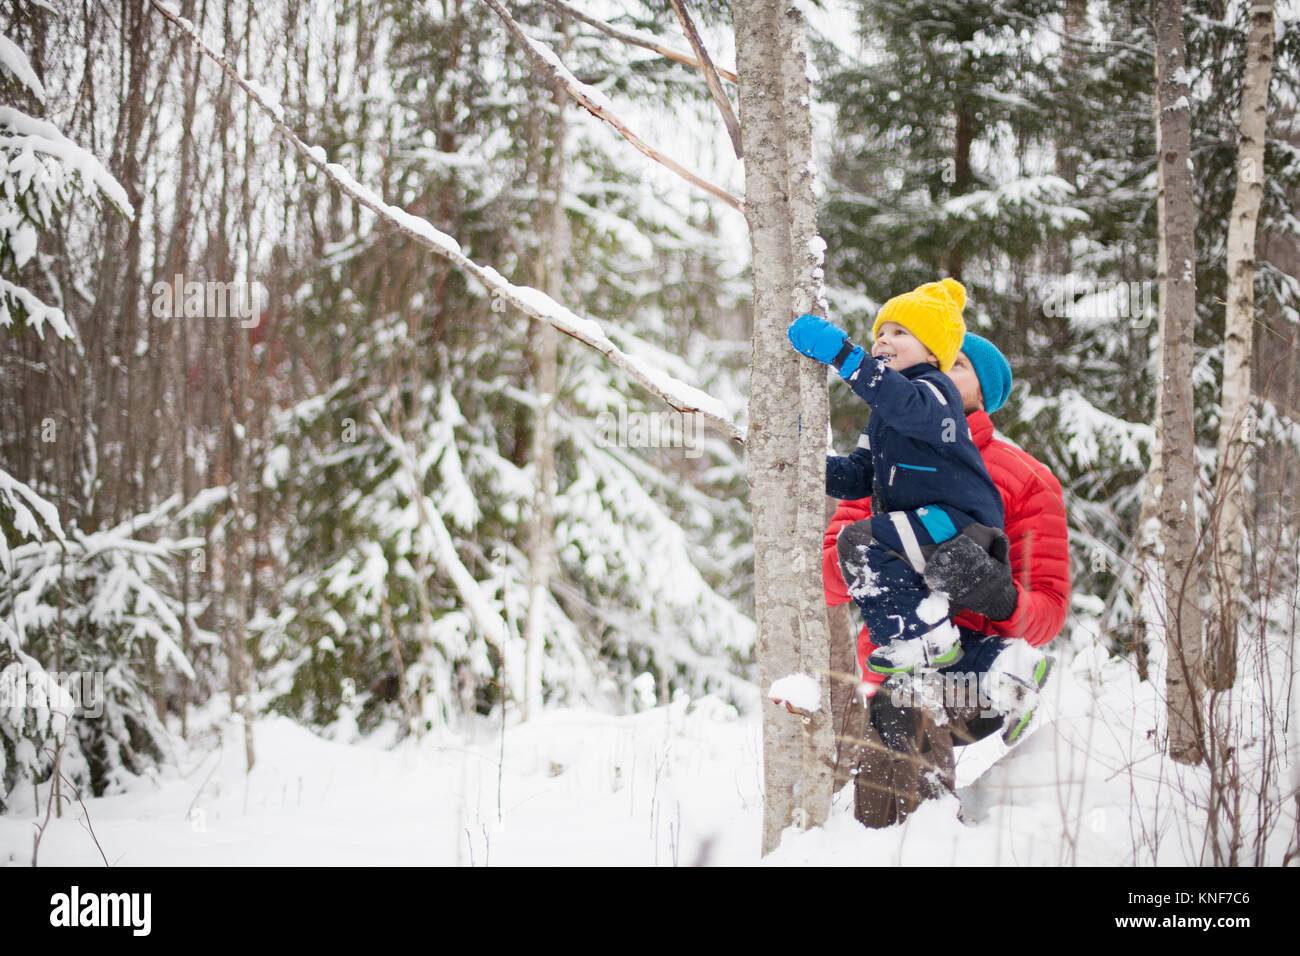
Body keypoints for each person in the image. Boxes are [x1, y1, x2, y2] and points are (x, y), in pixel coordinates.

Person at [823, 332, 1071, 745]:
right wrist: (893, 549)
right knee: (877, 793)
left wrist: (999, 597)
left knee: (925, 780)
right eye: (931, 361)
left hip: (976, 683)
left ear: (982, 391)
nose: (935, 374)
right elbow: (826, 580)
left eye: (954, 365)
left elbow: (1049, 611)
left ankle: (1008, 675)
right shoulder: (880, 465)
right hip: (891, 674)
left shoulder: (1028, 479)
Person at [788, 278, 1005, 676]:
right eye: (880, 333)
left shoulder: (936, 391)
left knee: (862, 541)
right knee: (876, 565)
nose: (882, 341)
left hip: (961, 521)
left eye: (899, 333)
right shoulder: (886, 412)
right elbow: (858, 476)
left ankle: (921, 637)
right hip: (929, 525)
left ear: (932, 349)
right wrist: (806, 461)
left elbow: (902, 403)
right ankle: (998, 660)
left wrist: (842, 355)